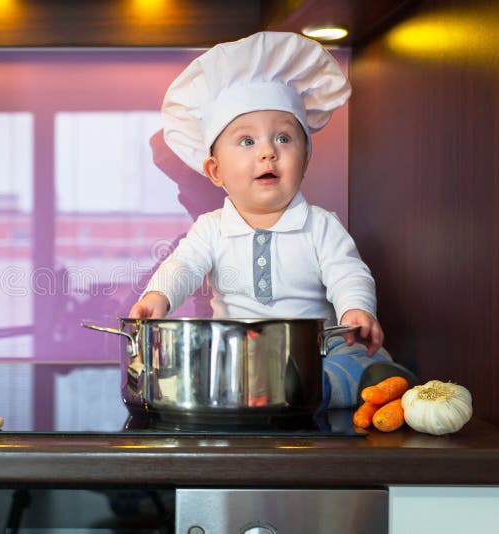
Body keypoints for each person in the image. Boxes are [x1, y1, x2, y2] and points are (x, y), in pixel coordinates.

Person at [128, 31, 395, 408]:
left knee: (357, 356)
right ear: (215, 170)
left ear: (306, 159)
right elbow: (183, 265)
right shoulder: (211, 228)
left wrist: (356, 309)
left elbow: (347, 271)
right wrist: (158, 296)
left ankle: (328, 387)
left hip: (313, 348)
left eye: (284, 139)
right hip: (238, 350)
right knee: (201, 358)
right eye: (247, 141)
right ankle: (287, 392)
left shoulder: (321, 225)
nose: (268, 152)